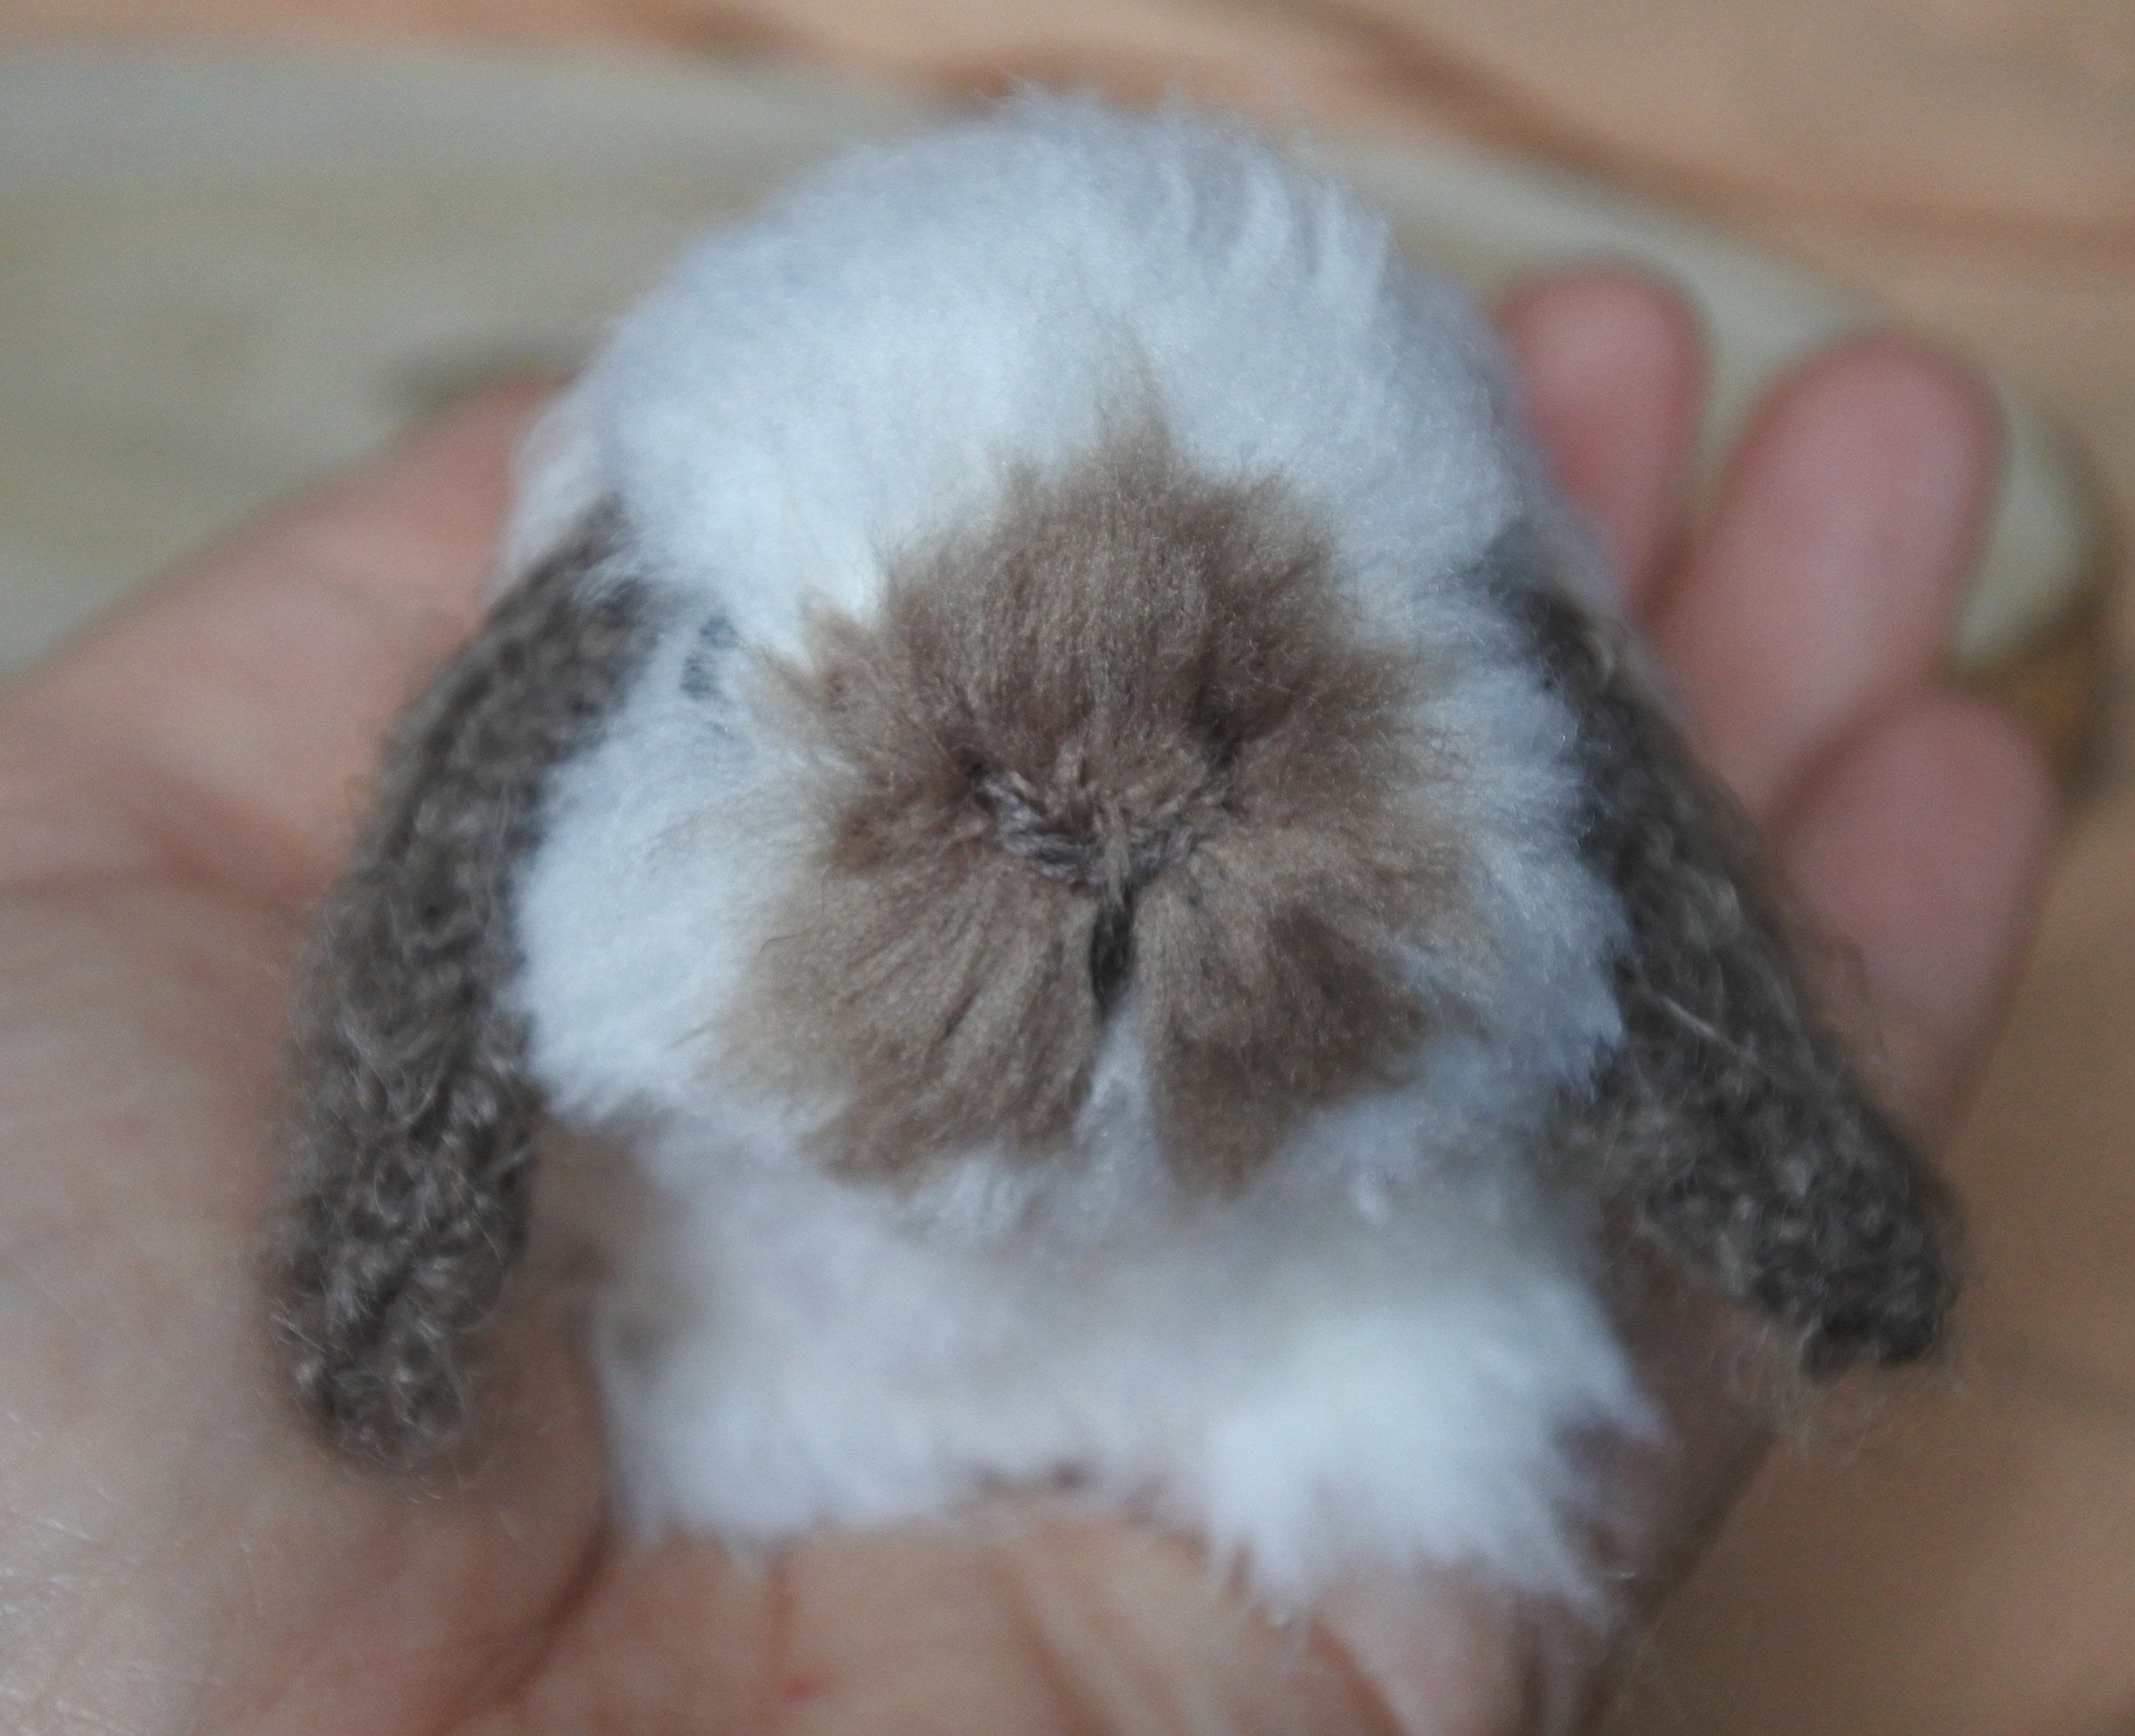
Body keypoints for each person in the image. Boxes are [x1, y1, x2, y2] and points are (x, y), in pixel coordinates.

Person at [0, 266, 2049, 1733]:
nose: (1092, 828)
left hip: (1320, 1334)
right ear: (522, 737)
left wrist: (1774, 1164)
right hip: (734, 1355)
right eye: (732, 684)